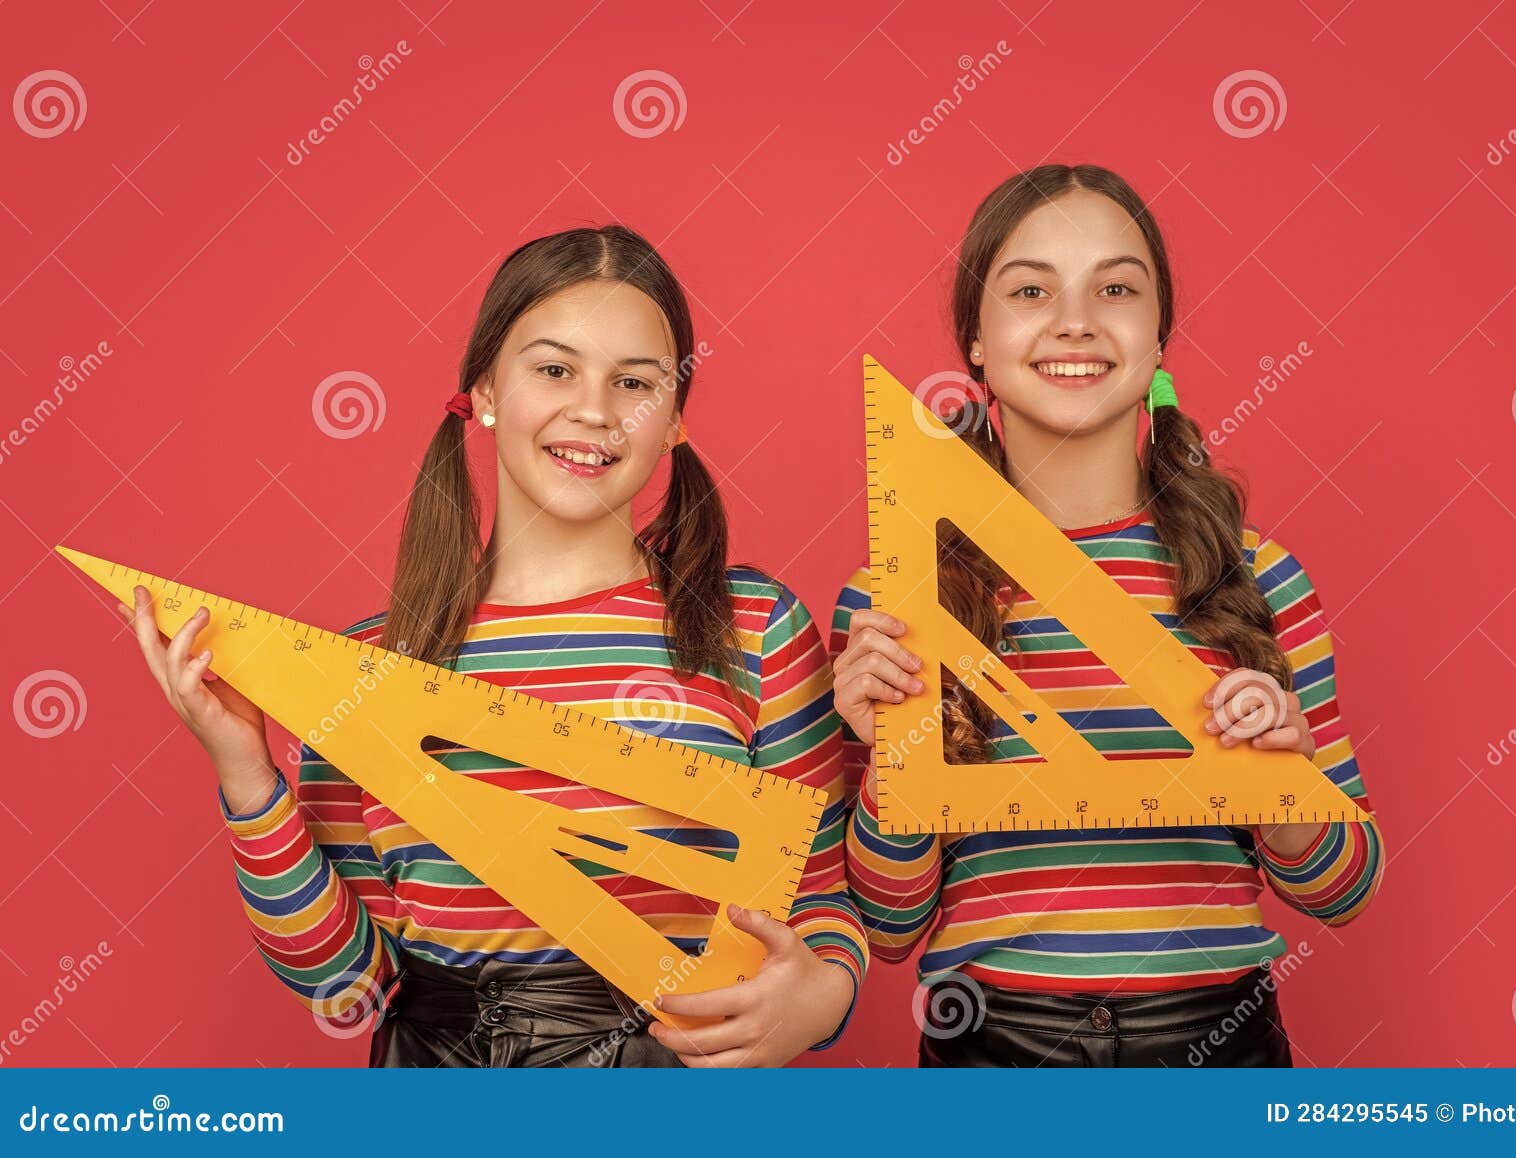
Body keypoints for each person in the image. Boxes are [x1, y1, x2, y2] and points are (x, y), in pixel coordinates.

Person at [122, 224, 866, 1067]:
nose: (594, 409)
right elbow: (347, 985)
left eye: (635, 382)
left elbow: (820, 901)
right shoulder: (373, 666)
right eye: (554, 369)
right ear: (482, 391)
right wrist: (245, 772)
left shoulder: (754, 627)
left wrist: (820, 997)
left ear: (674, 421)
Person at [830, 164, 1385, 1067]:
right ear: (974, 338)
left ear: (1159, 335)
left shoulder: (1259, 578)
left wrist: (1286, 783)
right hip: (988, 1046)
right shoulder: (896, 598)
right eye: (1030, 290)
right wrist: (895, 762)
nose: (1075, 320)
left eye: (1117, 288)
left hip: (1218, 1045)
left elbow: (1345, 887)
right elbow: (890, 926)